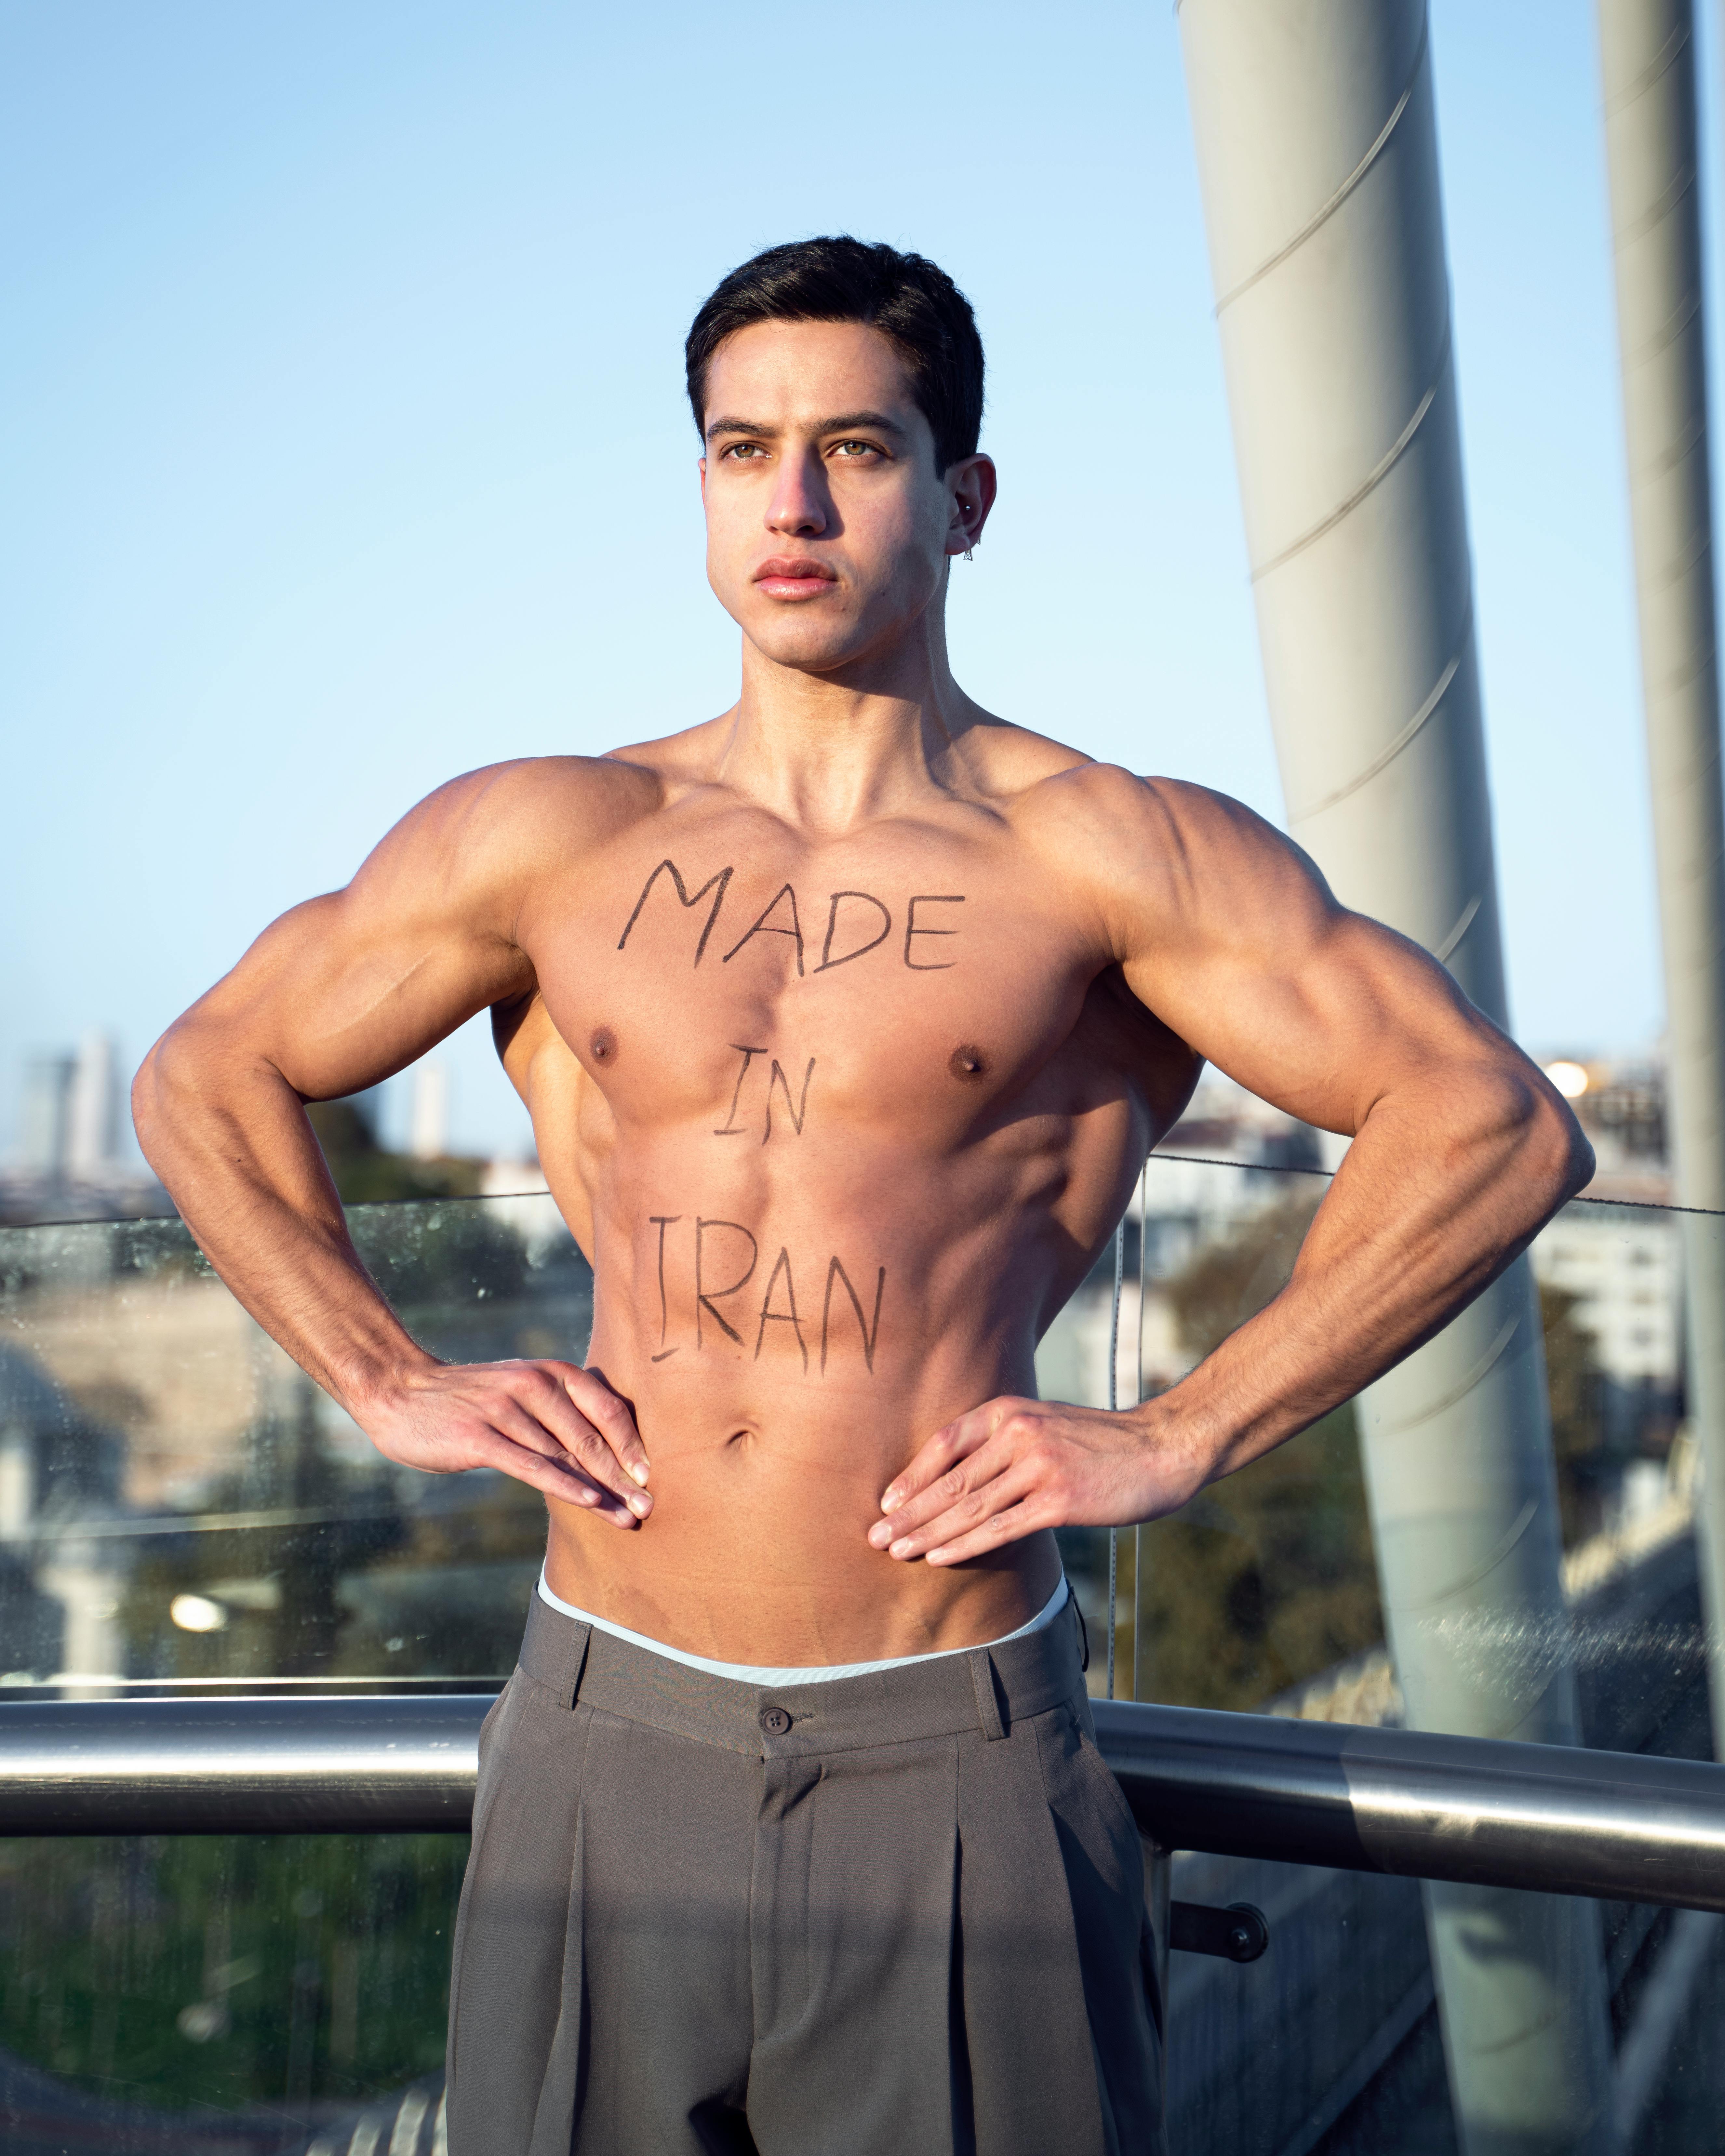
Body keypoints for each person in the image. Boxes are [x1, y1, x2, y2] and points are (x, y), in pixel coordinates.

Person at [134, 235, 1592, 2156]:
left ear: (964, 493)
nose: (792, 504)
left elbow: (1490, 1122)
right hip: (602, 1723)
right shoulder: (553, 832)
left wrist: (1184, 1429)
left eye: (857, 449)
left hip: (952, 1747)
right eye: (742, 451)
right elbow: (205, 1072)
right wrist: (383, 1378)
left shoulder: (1104, 849)